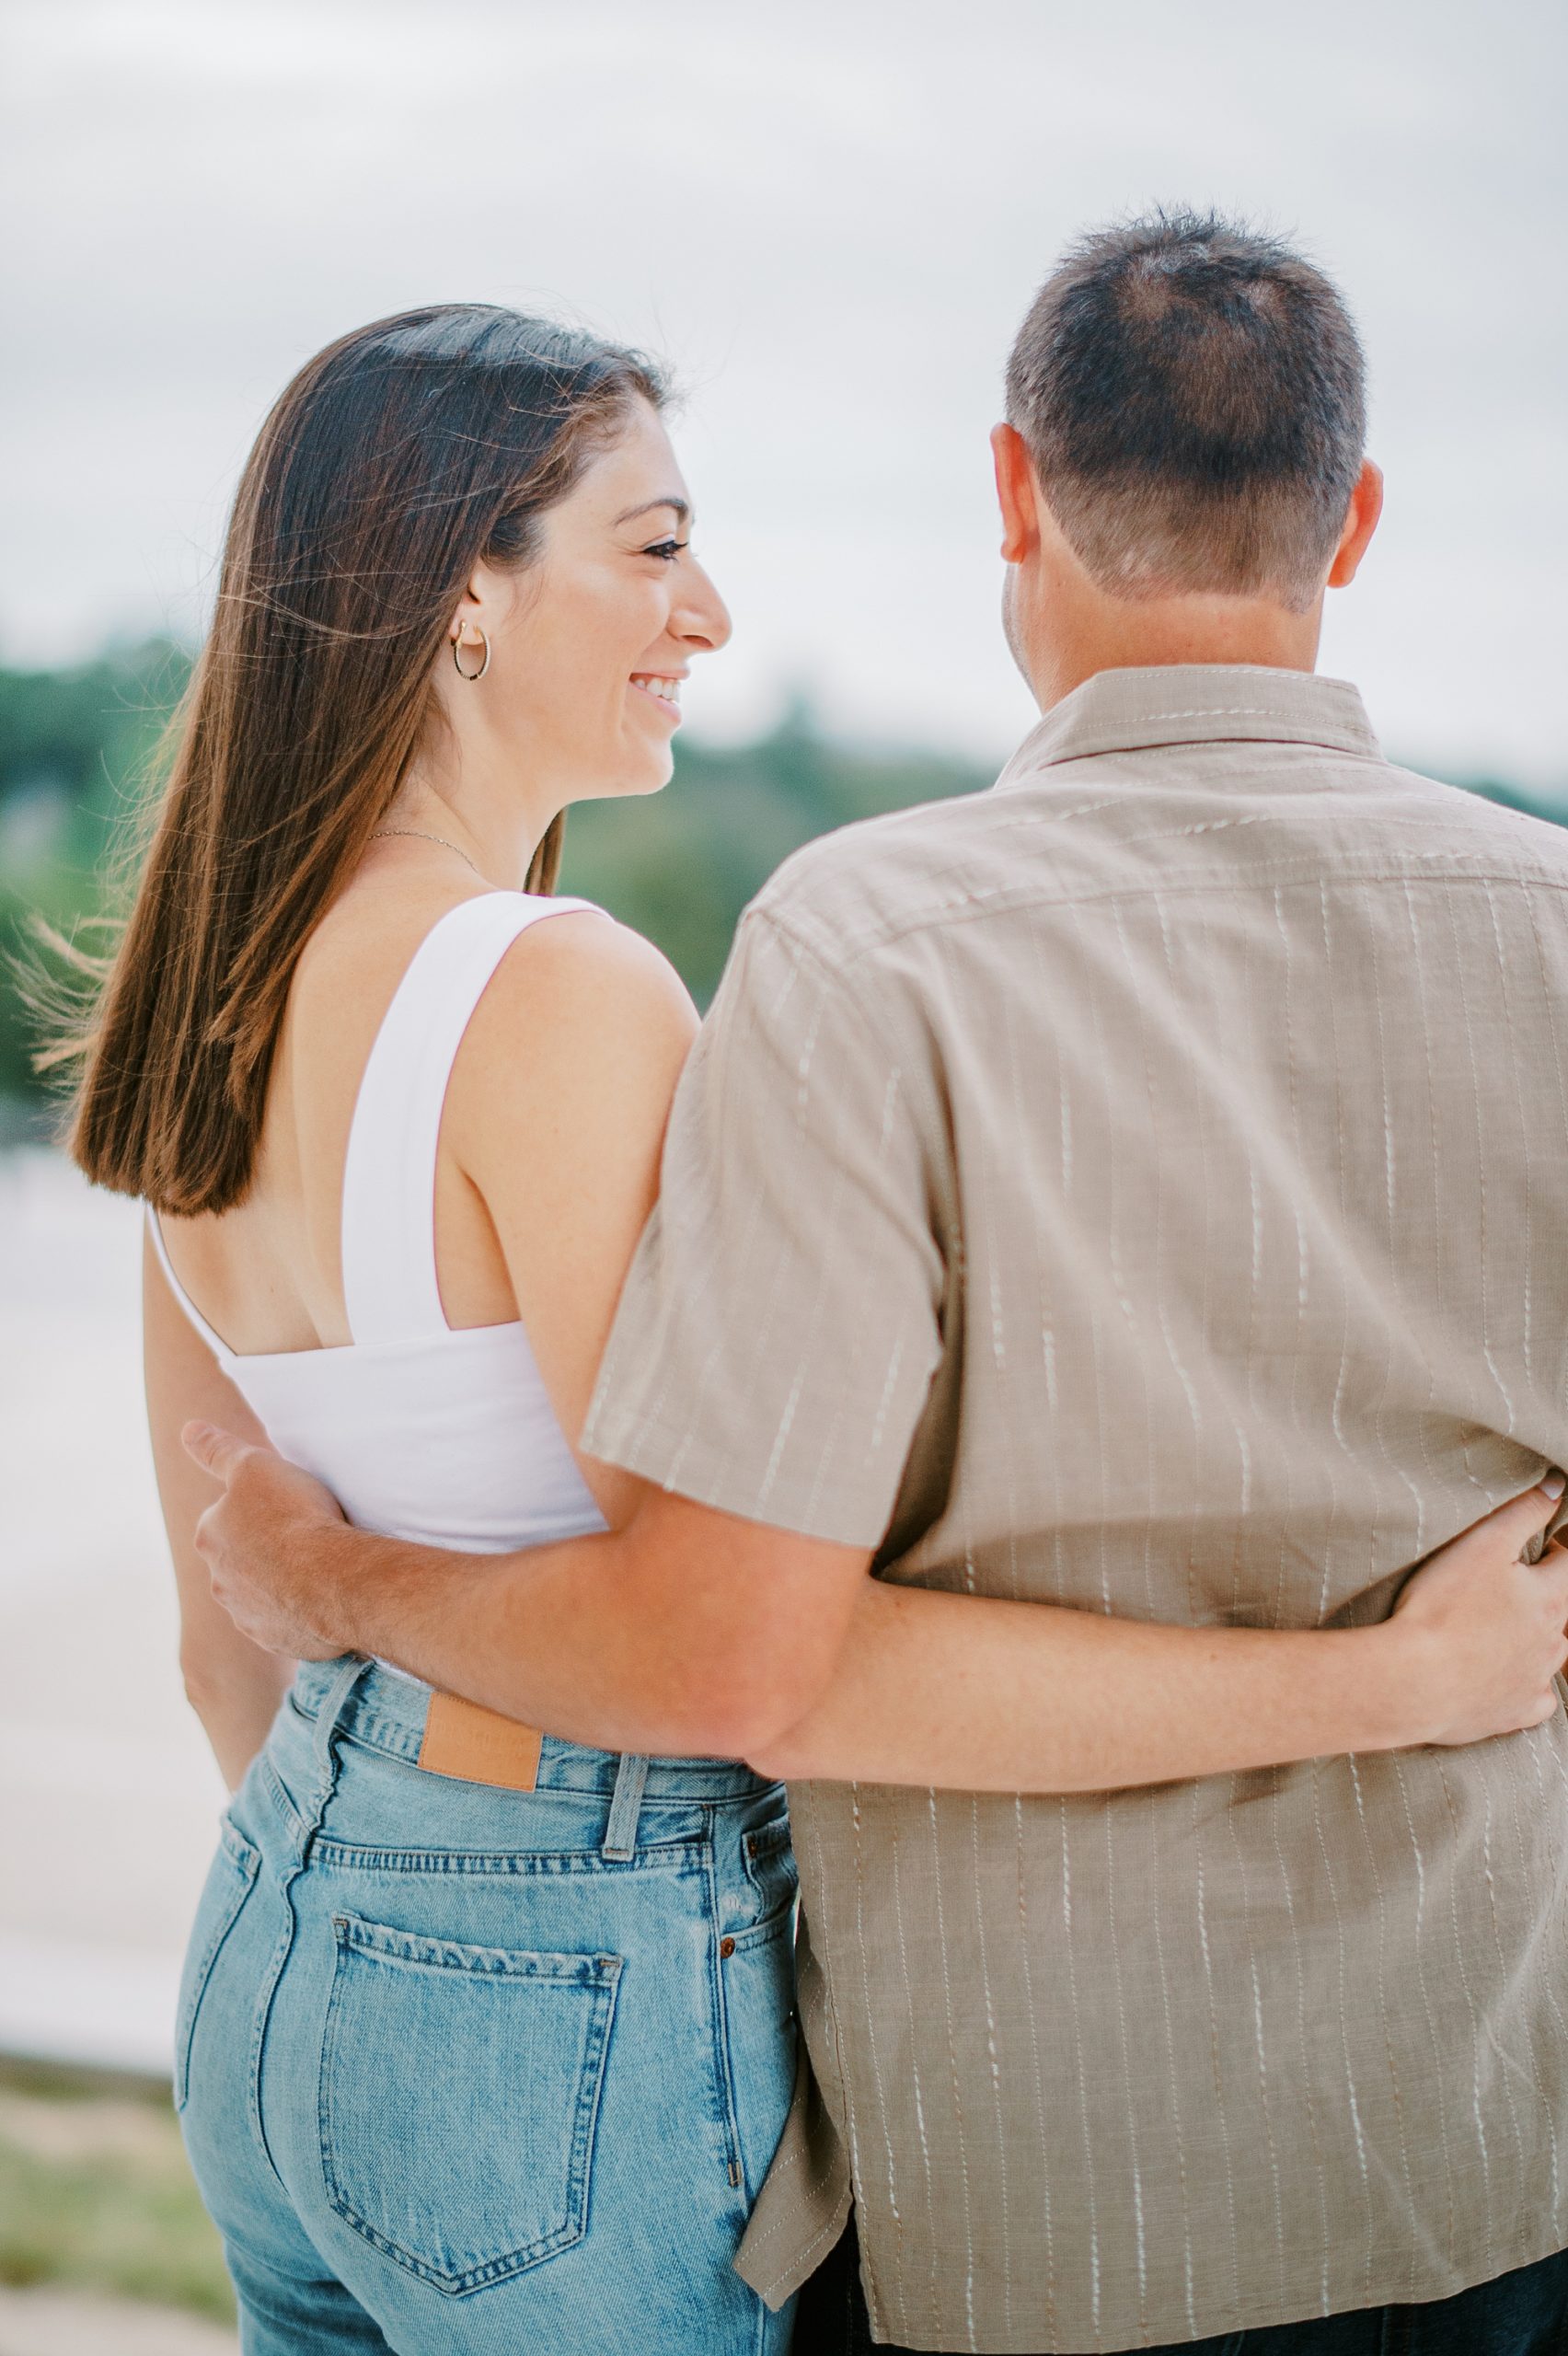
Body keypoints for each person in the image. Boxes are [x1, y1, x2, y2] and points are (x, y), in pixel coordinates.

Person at [75, 238, 1568, 2355]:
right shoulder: (558, 990)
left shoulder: (201, 1014)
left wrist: (393, 1900)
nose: (713, 612)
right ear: (459, 592)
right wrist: (1396, 1682)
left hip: (290, 1946)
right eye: (659, 548)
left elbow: (230, 1652)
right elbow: (739, 1659)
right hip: (562, 1959)